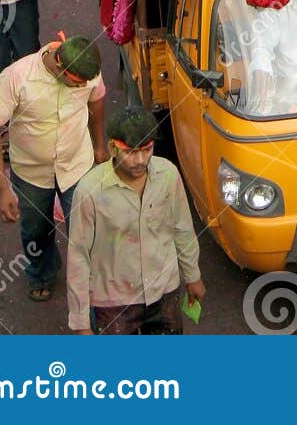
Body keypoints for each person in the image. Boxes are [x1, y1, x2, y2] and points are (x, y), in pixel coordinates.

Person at [0, 37, 107, 303]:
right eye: (77, 82)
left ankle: (87, 278)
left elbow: (96, 101)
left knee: (86, 228)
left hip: (77, 166)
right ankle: (41, 274)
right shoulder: (17, 77)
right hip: (31, 174)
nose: (83, 86)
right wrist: (1, 186)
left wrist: (99, 146)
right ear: (60, 67)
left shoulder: (88, 70)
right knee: (36, 229)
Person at [67, 104, 204, 336]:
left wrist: (193, 276)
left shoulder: (169, 175)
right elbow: (79, 256)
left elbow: (182, 229)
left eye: (147, 150)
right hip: (114, 301)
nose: (140, 160)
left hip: (164, 290)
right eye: (131, 152)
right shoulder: (89, 192)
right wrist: (81, 322)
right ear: (112, 148)